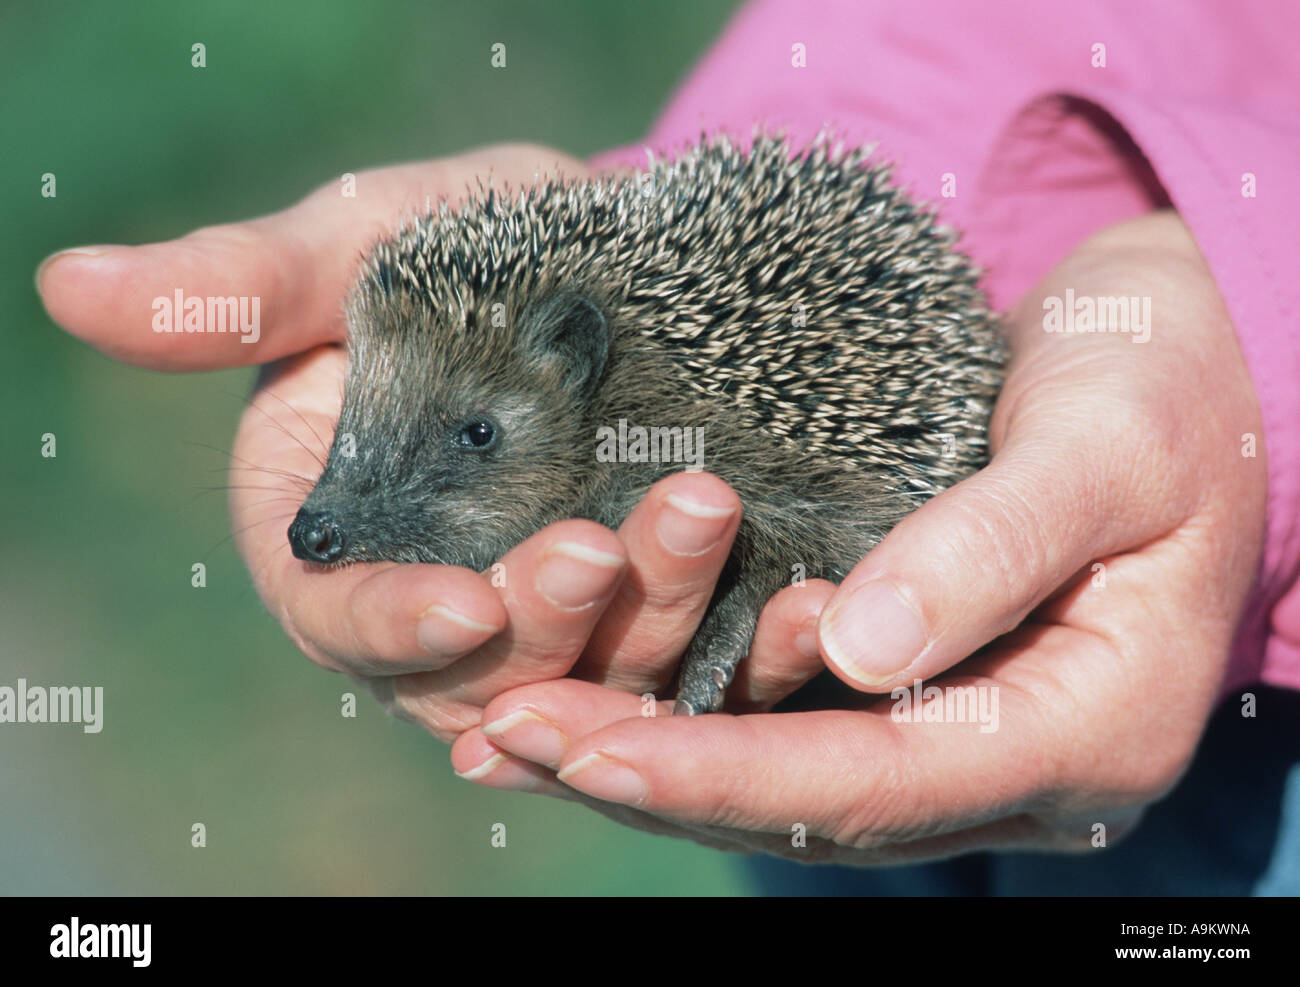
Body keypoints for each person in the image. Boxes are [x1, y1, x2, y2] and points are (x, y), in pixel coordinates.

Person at [37, 0, 1300, 892]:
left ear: (585, 371)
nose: (332, 512)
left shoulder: (736, 432)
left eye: (472, 436)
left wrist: (1256, 344)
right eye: (365, 436)